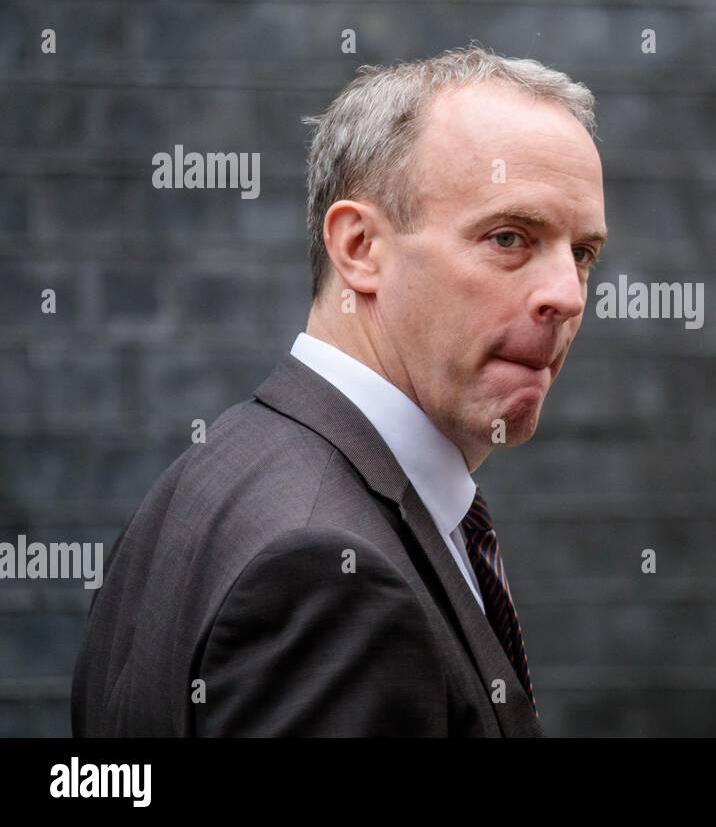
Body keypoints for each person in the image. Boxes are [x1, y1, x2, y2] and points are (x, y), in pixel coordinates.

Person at [71, 45, 607, 736]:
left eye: (583, 253)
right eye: (510, 237)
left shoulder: (205, 483)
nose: (566, 295)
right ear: (358, 247)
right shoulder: (326, 570)